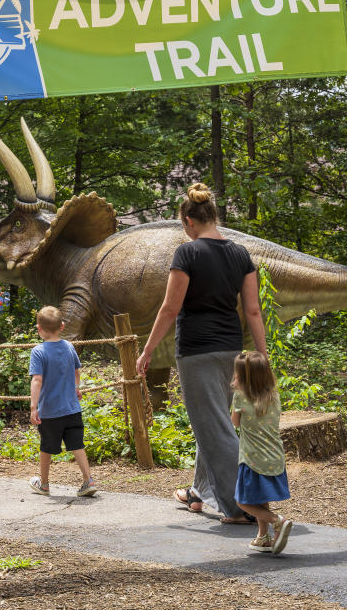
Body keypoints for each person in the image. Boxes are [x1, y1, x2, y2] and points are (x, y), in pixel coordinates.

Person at [135, 182, 267, 524]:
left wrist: (147, 350)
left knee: (215, 428)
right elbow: (253, 311)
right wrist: (262, 356)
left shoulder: (188, 253)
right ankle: (198, 492)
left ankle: (242, 507)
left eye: (184, 225)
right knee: (215, 422)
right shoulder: (241, 254)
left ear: (190, 221)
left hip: (196, 351)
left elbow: (169, 308)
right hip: (229, 349)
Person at [29, 305, 98, 497]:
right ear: (62, 326)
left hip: (50, 412)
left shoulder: (38, 351)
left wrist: (34, 407)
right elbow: (77, 372)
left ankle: (44, 484)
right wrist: (76, 388)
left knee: (47, 446)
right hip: (72, 409)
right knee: (77, 444)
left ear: (38, 328)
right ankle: (88, 480)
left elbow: (37, 380)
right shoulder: (69, 347)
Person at [231, 350, 293, 554]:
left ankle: (277, 521)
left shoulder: (240, 396)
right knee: (260, 497)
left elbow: (235, 423)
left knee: (243, 501)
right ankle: (262, 537)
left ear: (243, 377)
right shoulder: (273, 394)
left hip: (252, 459)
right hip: (275, 457)